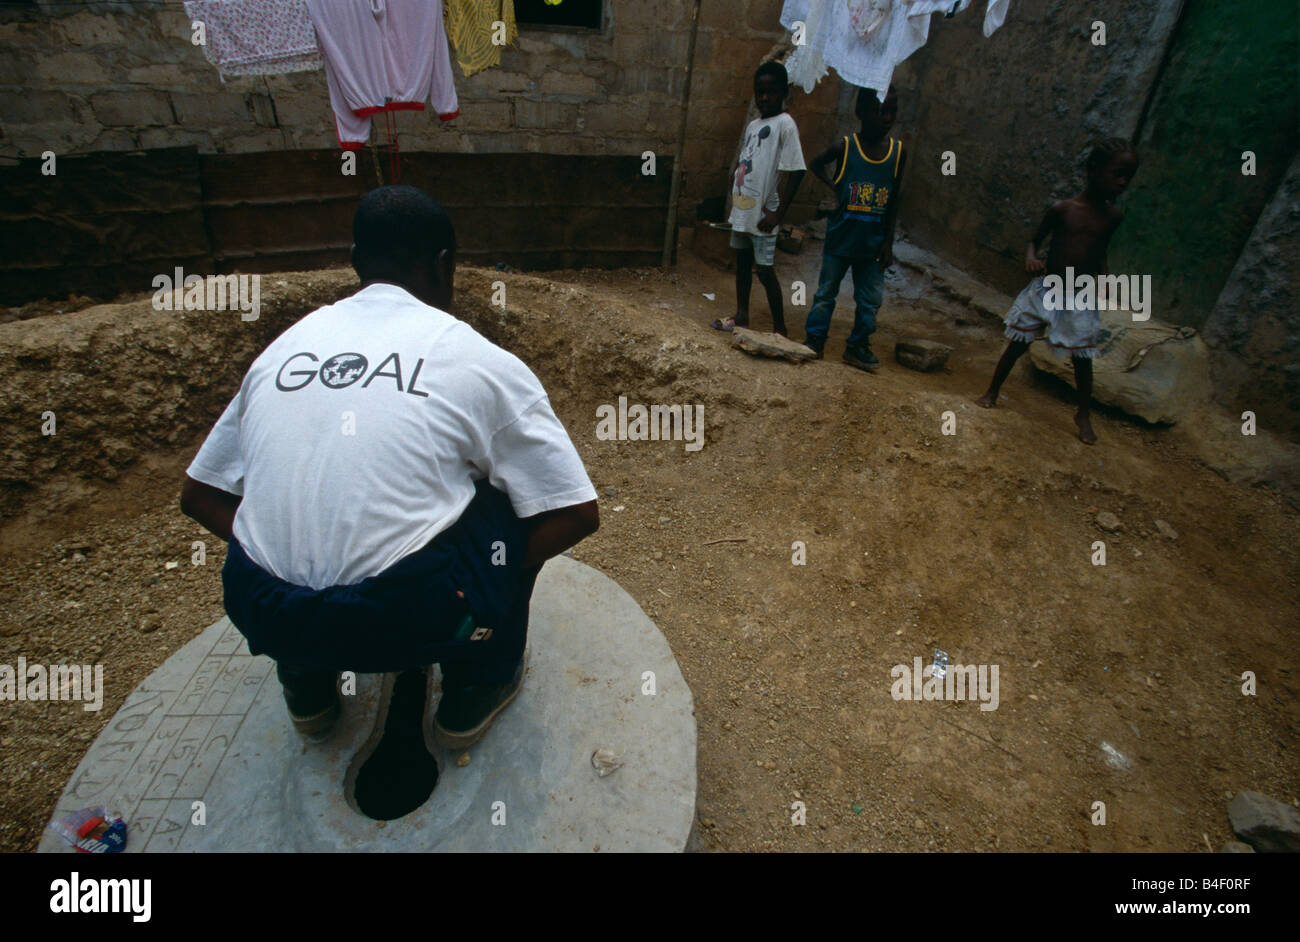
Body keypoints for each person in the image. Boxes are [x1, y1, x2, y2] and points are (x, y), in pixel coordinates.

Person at [180, 184, 599, 749]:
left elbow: (200, 496)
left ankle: (306, 686)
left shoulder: (284, 349)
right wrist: (488, 576)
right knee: (513, 501)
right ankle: (476, 689)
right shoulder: (477, 358)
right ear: (445, 266)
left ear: (356, 263)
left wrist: (287, 551)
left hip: (262, 607)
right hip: (407, 617)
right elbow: (575, 511)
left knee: (293, 499)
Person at [976, 138, 1140, 444]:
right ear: (1093, 169)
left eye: (1128, 176)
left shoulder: (1113, 217)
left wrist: (1104, 279)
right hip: (1047, 288)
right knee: (1018, 342)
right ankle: (992, 390)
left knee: (1082, 358)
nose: (1123, 182)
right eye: (1117, 173)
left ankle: (1083, 414)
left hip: (1079, 295)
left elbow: (1100, 251)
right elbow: (1034, 240)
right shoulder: (1063, 210)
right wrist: (1031, 258)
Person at [803, 85, 906, 370]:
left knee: (871, 300)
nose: (887, 118)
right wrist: (834, 187)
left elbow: (894, 200)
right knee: (826, 293)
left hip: (872, 245)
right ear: (861, 113)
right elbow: (815, 164)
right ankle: (814, 340)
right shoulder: (845, 147)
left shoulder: (897, 153)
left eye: (892, 112)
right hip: (840, 239)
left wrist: (888, 243)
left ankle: (858, 346)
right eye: (880, 111)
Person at [711, 60, 806, 336]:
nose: (765, 98)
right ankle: (742, 315)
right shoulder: (754, 125)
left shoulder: (785, 125)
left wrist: (778, 215)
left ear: (783, 93)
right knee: (742, 264)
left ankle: (780, 329)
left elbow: (797, 171)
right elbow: (748, 158)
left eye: (772, 92)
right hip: (743, 211)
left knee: (764, 270)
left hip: (765, 215)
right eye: (760, 92)